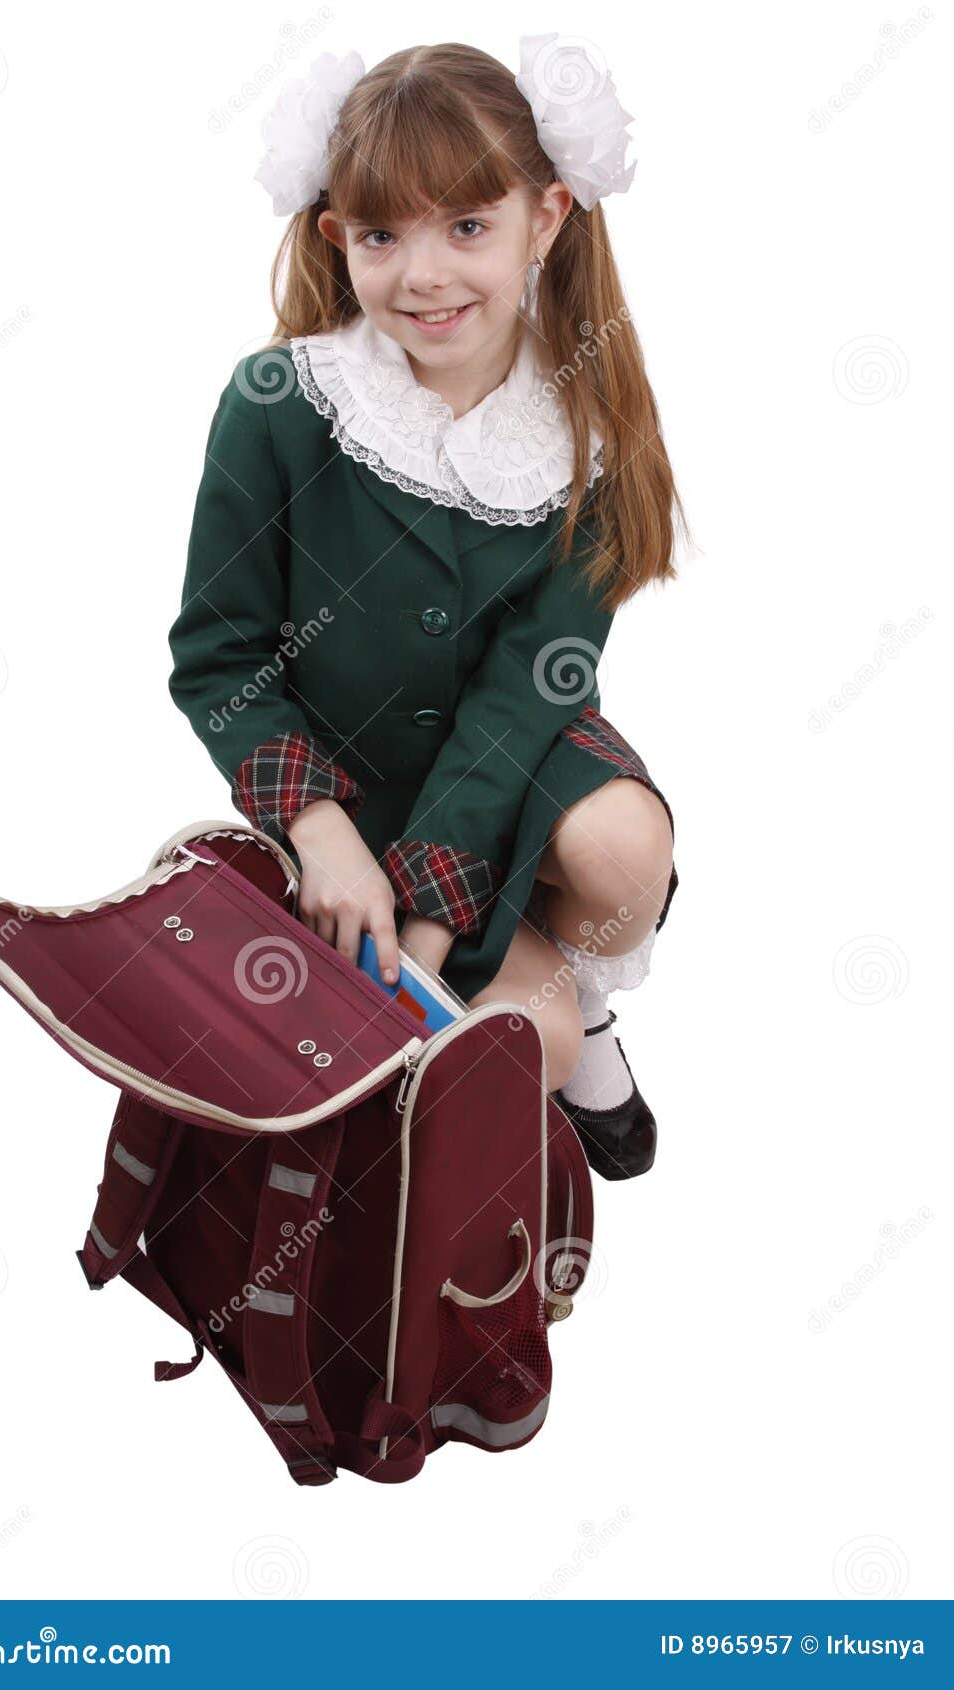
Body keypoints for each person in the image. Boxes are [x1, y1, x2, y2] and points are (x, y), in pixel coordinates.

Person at [167, 36, 688, 1179]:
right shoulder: (275, 405)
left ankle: (577, 989)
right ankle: (561, 1017)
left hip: (515, 754)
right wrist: (320, 833)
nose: (424, 274)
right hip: (341, 783)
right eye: (380, 234)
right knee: (527, 1042)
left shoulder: (586, 428)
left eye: (466, 226)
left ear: (543, 220)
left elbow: (527, 691)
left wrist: (431, 926)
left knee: (619, 847)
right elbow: (218, 658)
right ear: (333, 237)